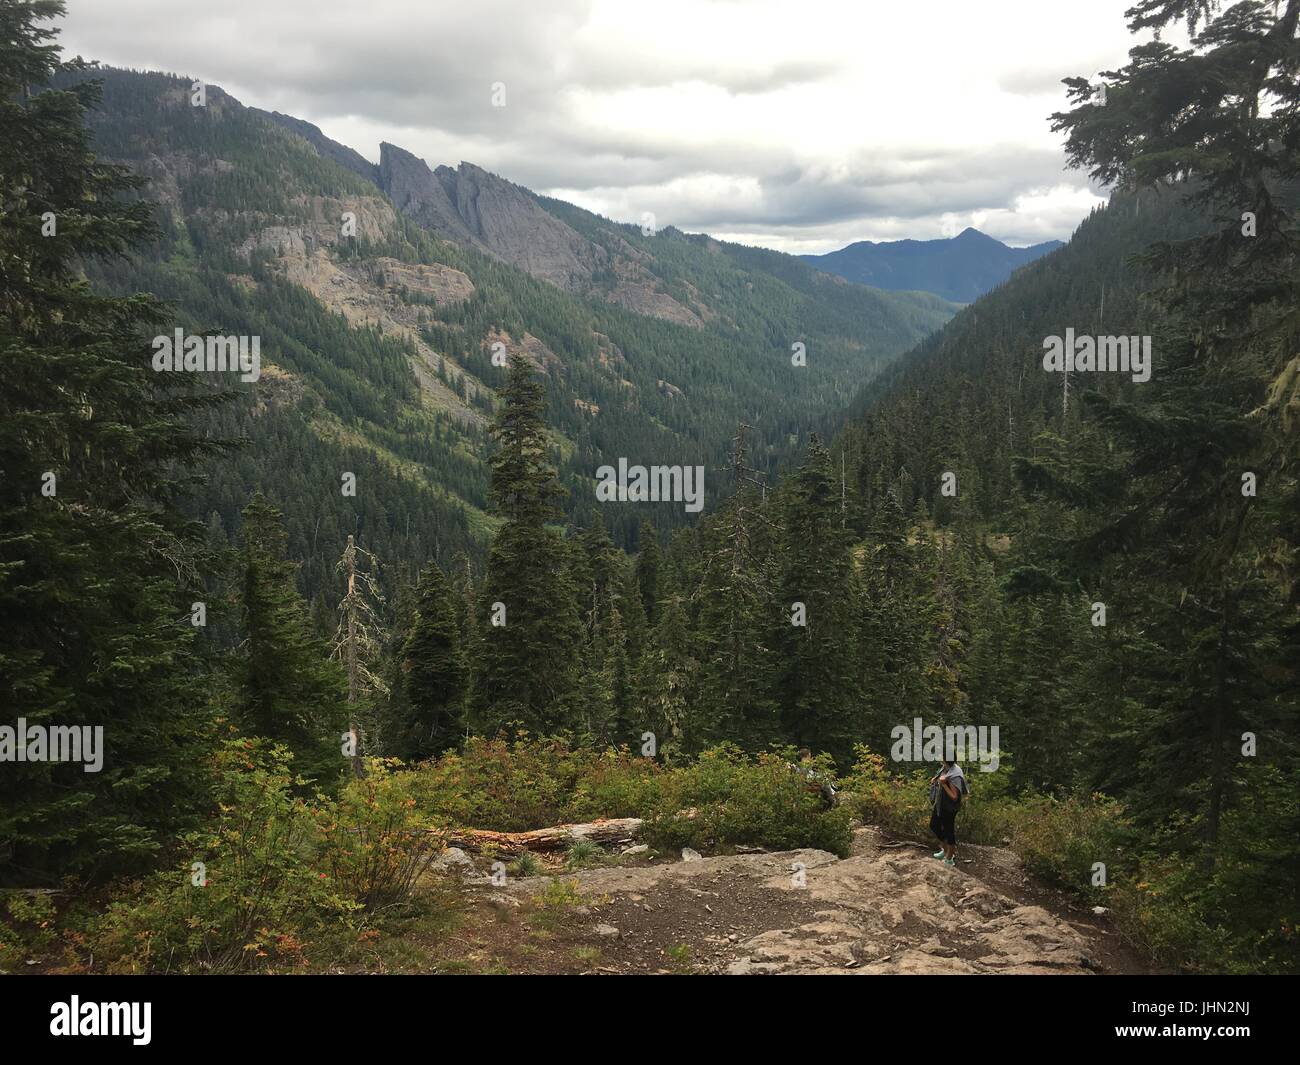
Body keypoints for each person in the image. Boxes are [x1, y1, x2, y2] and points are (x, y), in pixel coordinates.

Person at [928, 758, 967, 867]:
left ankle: (950, 858)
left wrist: (944, 784)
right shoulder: (946, 768)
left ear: (946, 760)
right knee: (934, 825)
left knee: (949, 831)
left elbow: (955, 797)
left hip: (949, 807)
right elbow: (941, 777)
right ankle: (945, 850)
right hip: (940, 803)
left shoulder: (955, 775)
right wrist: (936, 780)